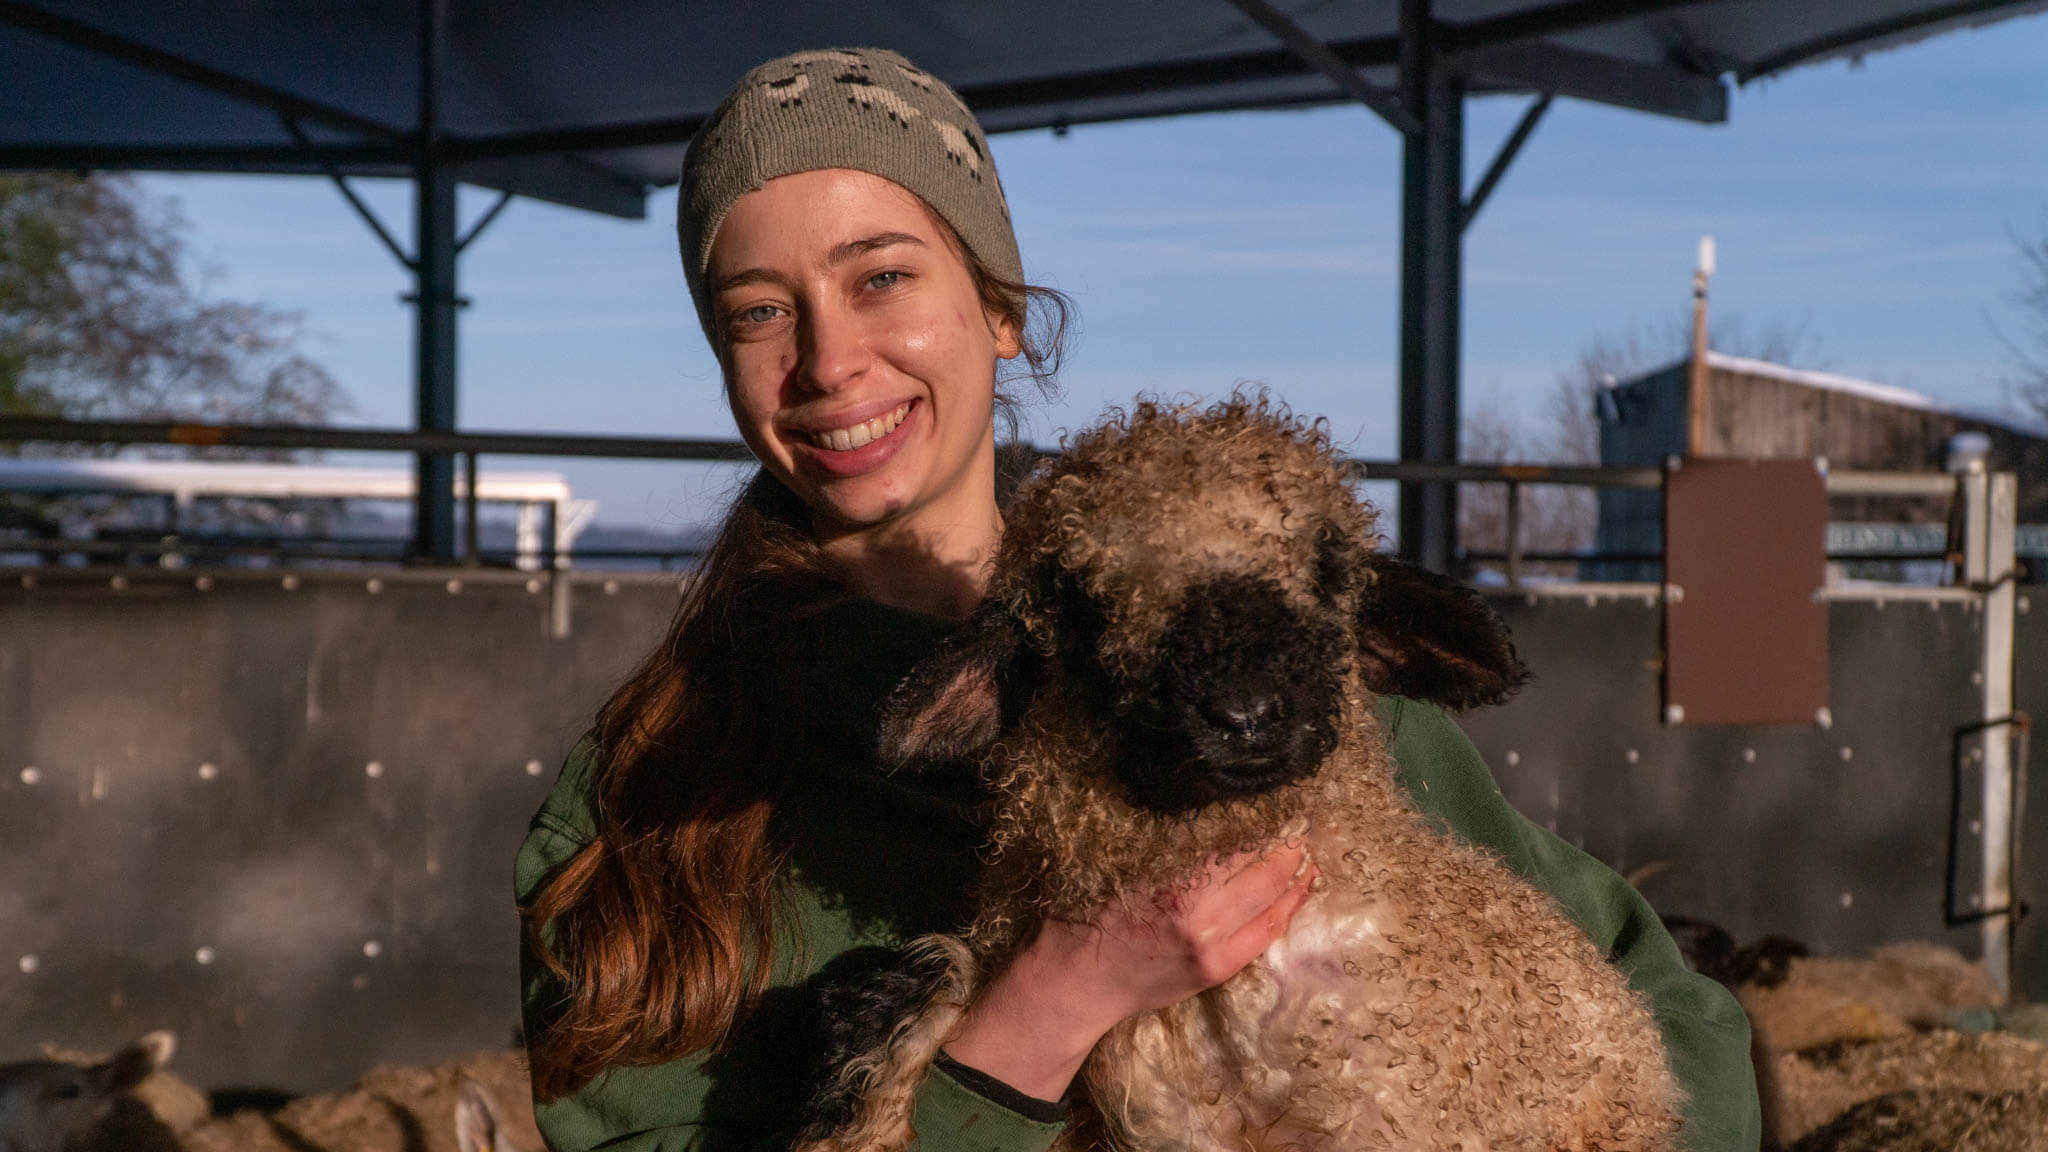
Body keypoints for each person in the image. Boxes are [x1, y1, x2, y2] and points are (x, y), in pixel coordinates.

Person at [515, 46, 1761, 1152]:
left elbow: (1657, 1008)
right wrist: (1040, 1018)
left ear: (998, 310)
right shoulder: (654, 794)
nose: (830, 360)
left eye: (881, 277)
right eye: (758, 312)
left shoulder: (1276, 685)